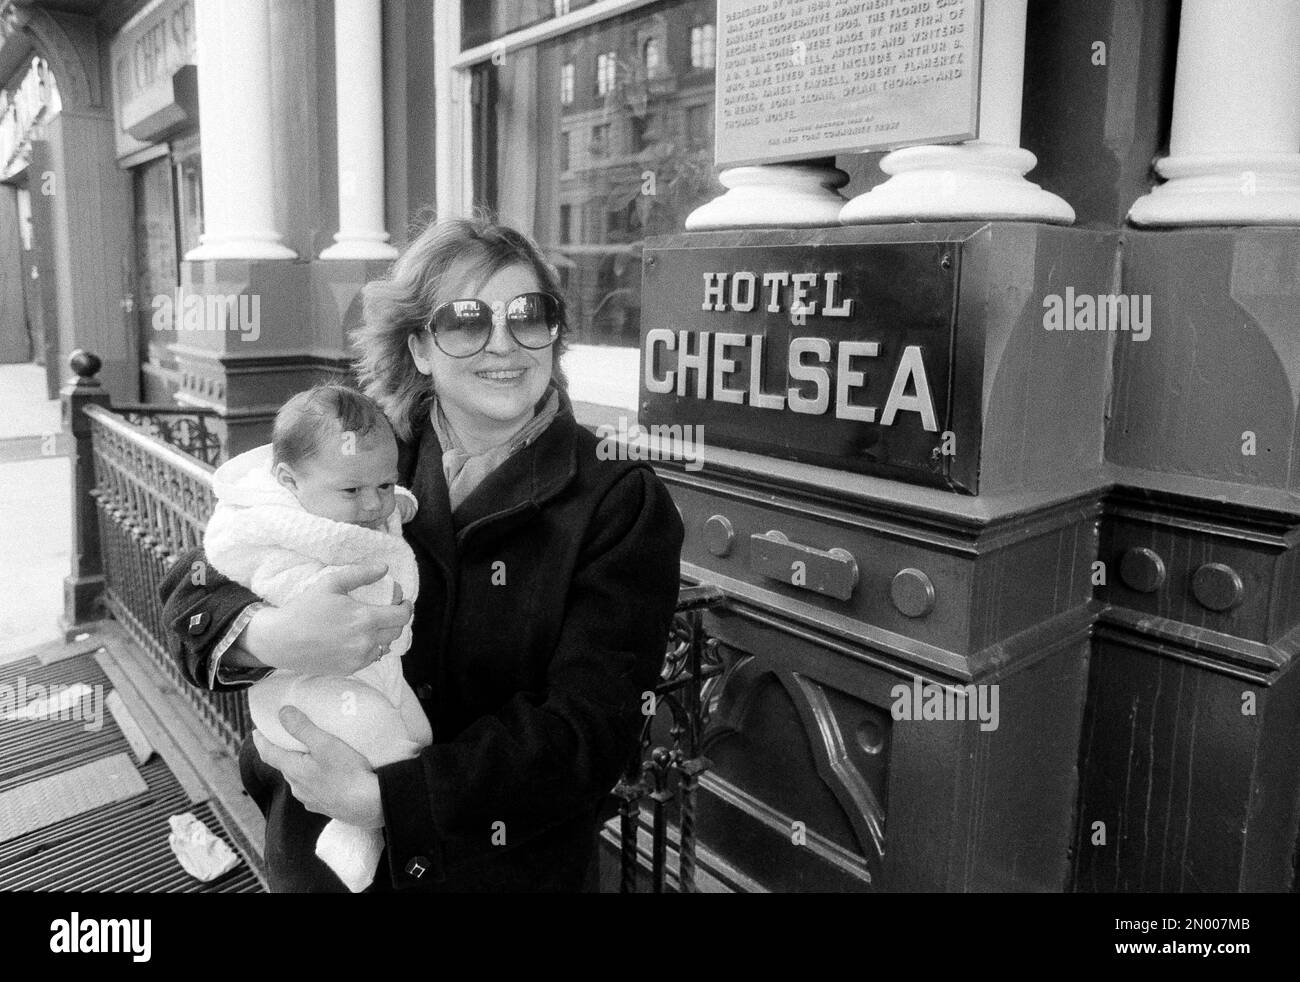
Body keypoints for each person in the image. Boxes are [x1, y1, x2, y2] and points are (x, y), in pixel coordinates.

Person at [159, 216, 684, 892]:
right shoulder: (361, 450)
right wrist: (270, 634)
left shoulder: (618, 500)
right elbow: (198, 577)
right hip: (319, 859)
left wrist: (391, 800)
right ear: (420, 348)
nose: (505, 342)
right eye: (466, 321)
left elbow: (591, 728)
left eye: (530, 315)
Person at [201, 384, 432, 892]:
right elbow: (200, 587)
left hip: (379, 671)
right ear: (289, 481)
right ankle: (356, 833)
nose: (373, 505)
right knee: (380, 737)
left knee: (417, 737)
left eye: (386, 485)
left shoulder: (363, 476)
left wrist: (398, 503)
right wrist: (269, 632)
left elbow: (390, 505)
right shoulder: (266, 521)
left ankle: (369, 815)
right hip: (305, 691)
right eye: (352, 492)